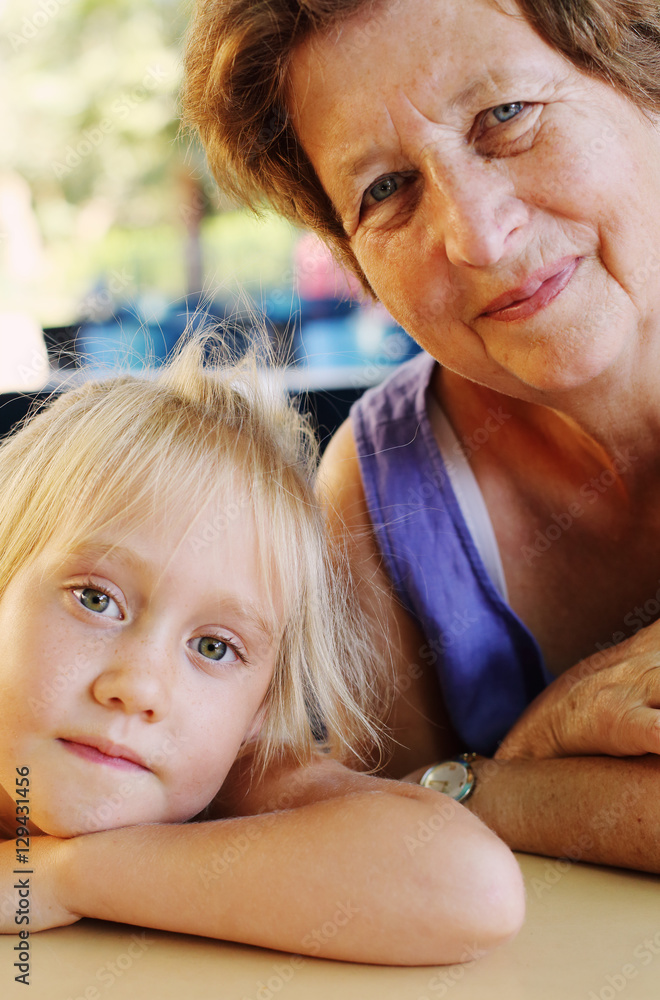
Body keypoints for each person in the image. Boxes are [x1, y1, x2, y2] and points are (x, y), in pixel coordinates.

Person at [182, 0, 660, 871]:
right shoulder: (375, 496)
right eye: (386, 191)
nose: (477, 235)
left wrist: (499, 786)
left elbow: (433, 795)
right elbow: (399, 844)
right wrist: (541, 740)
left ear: (645, 78)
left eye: (507, 115)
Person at [0, 335, 524, 965]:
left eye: (215, 647)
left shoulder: (234, 777)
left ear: (259, 713)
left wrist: (62, 876)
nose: (138, 687)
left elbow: (469, 886)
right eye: (94, 599)